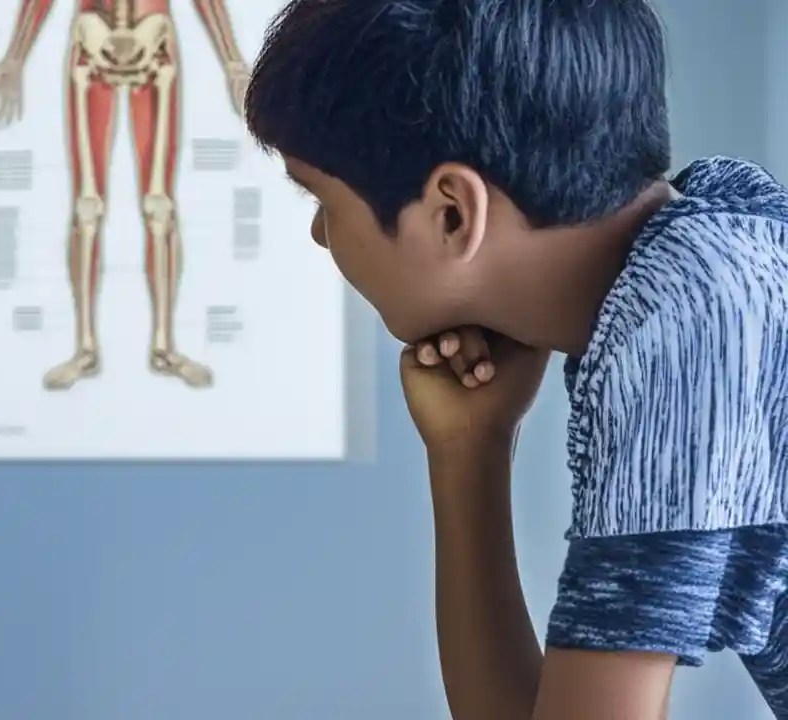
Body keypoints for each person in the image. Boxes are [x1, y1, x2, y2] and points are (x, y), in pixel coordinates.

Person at [243, 0, 788, 717]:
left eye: (322, 202)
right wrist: (470, 447)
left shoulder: (684, 325)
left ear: (451, 215)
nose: (320, 236)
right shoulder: (729, 226)